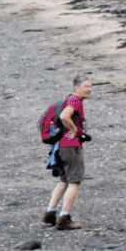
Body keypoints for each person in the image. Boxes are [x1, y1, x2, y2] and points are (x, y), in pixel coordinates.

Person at [41, 77, 91, 229]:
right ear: (77, 87)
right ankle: (64, 218)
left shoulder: (70, 99)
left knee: (63, 181)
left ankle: (50, 213)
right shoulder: (75, 100)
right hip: (71, 146)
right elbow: (64, 116)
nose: (89, 89)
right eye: (86, 86)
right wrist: (75, 130)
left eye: (90, 86)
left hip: (61, 147)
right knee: (74, 182)